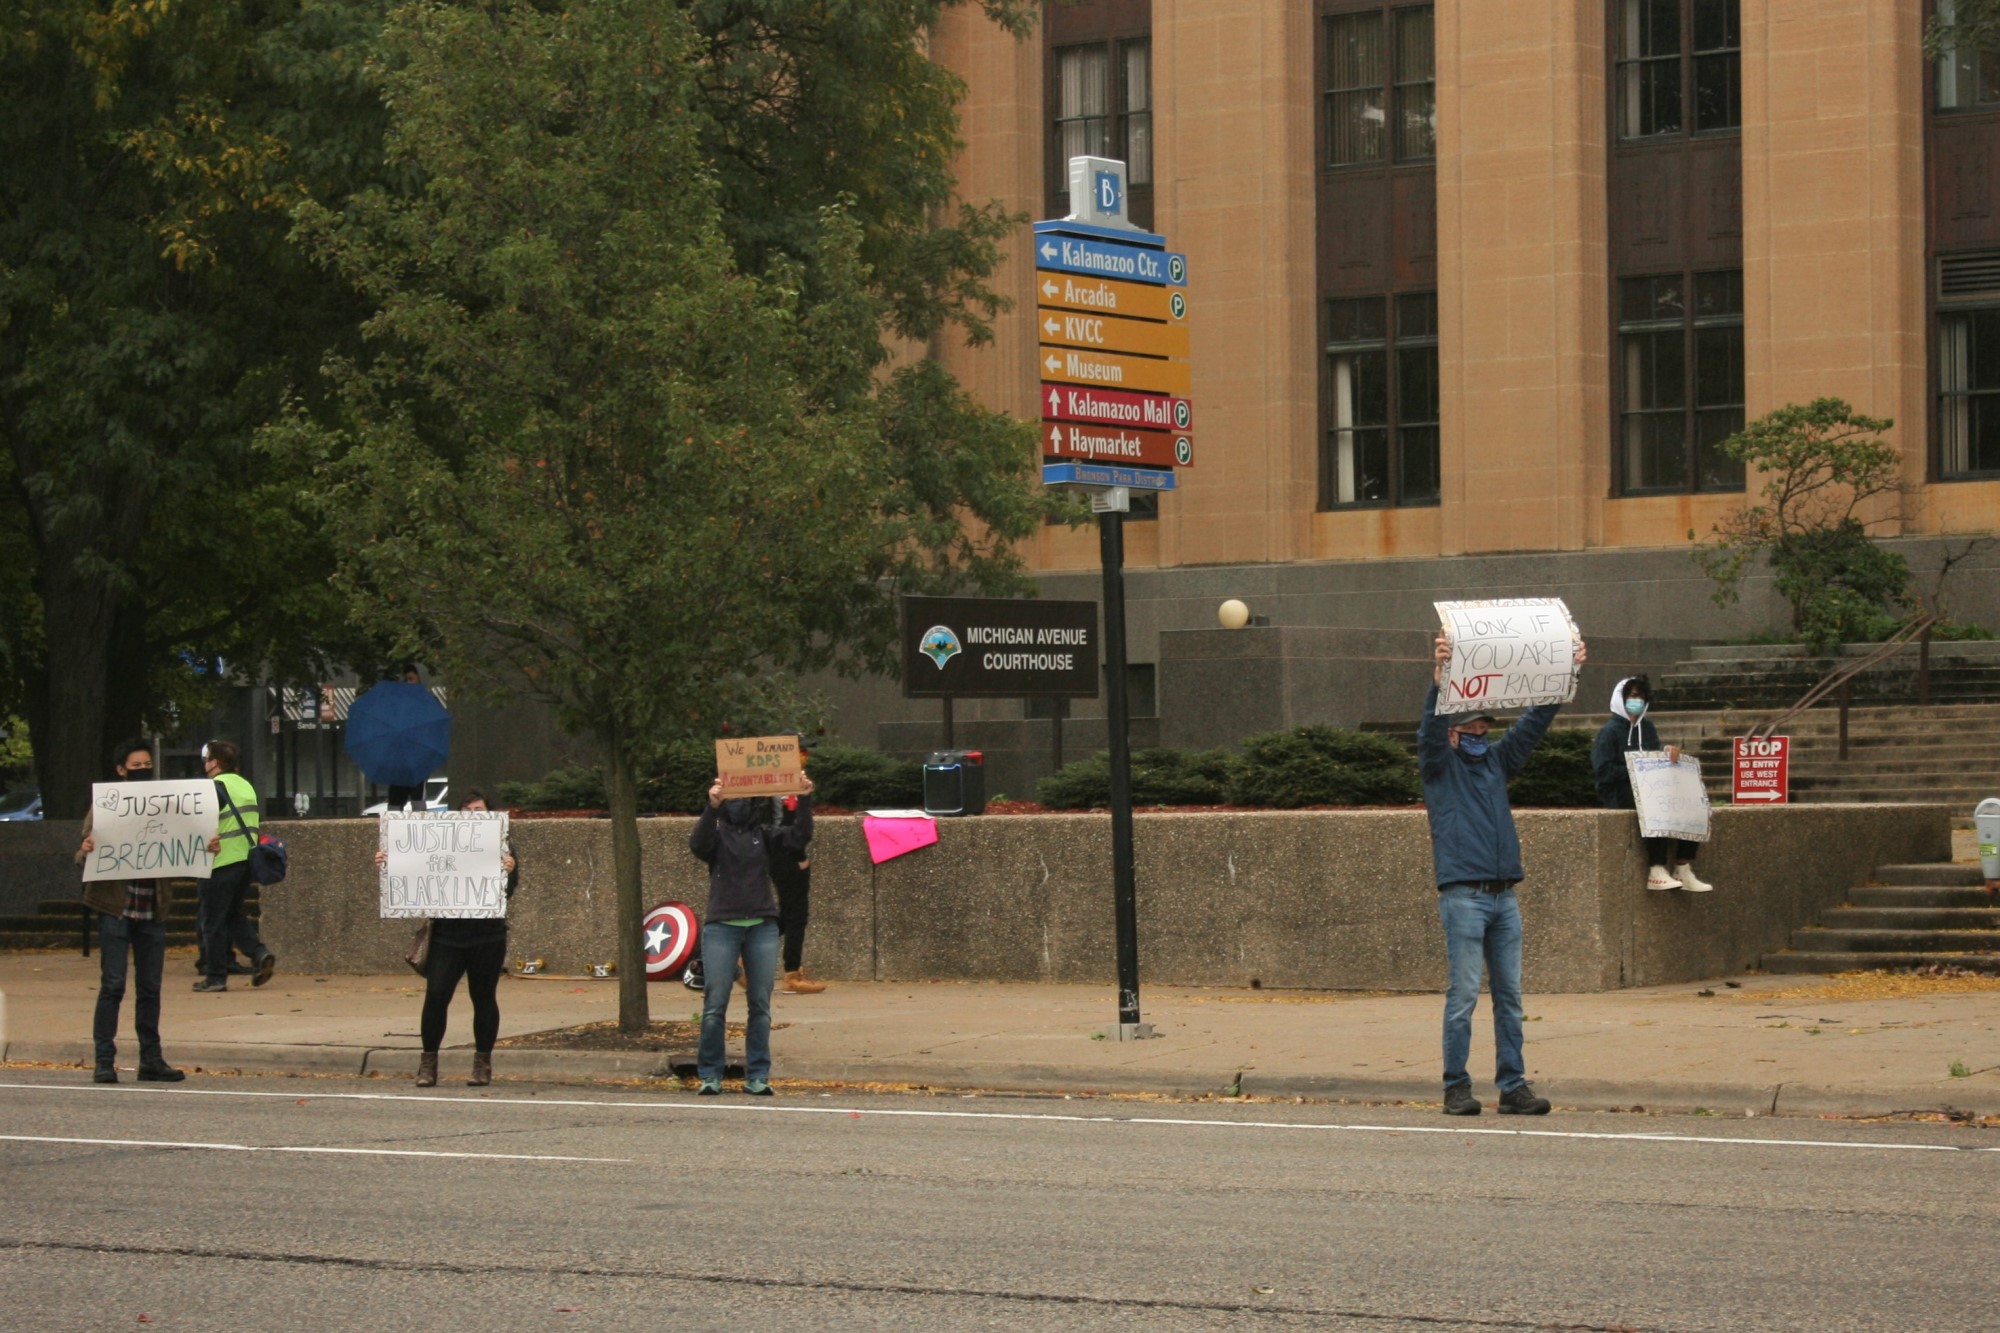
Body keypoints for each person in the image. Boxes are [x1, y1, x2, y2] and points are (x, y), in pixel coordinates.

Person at [1419, 628, 1587, 1117]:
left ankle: (1513, 1086)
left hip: (1503, 897)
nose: (1478, 734)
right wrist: (1439, 678)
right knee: (1465, 994)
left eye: (1483, 728)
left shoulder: (1496, 763)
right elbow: (1428, 731)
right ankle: (1456, 1086)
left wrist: (1566, 671)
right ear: (1452, 732)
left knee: (1510, 997)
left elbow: (1533, 724)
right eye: (1469, 727)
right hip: (1463, 896)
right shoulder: (1438, 768)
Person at [375, 790, 517, 1087]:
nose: (473, 815)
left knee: (484, 998)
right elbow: (414, 864)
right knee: (436, 997)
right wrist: (389, 861)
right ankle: (428, 1064)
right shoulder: (443, 839)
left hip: (487, 935)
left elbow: (507, 890)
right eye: (467, 810)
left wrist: (510, 869)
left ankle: (482, 1064)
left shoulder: (500, 845)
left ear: (490, 814)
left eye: (479, 809)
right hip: (447, 936)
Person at [689, 771, 814, 1096]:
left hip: (761, 926)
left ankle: (757, 1075)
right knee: (715, 1004)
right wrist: (712, 806)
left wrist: (803, 797)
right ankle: (710, 1075)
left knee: (759, 1005)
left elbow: (799, 836)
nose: (739, 805)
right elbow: (698, 845)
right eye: (734, 800)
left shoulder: (765, 835)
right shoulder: (716, 837)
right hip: (722, 927)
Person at [74, 738, 185, 1083]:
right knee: (113, 985)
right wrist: (86, 848)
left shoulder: (165, 806)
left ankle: (151, 1059)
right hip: (115, 908)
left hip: (152, 908)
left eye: (146, 765)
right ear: (121, 770)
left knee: (150, 988)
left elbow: (184, 843)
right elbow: (83, 852)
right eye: (135, 766)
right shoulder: (107, 805)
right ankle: (104, 1060)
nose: (142, 770)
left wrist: (206, 846)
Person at [1591, 676, 1712, 893]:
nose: (1638, 701)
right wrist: (1637, 767)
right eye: (1633, 696)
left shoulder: (1647, 728)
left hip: (1647, 787)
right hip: (1620, 791)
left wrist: (1666, 757)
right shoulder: (1609, 732)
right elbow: (1603, 772)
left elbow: (1654, 759)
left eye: (1642, 696)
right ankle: (1656, 868)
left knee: (1692, 803)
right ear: (1621, 698)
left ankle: (1682, 866)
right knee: (1657, 803)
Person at [193, 740, 275, 993]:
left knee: (213, 921)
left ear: (215, 763)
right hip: (245, 861)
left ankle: (216, 976)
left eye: (207, 761)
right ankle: (259, 954)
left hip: (220, 862)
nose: (205, 765)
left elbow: (202, 825)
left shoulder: (215, 788)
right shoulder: (245, 785)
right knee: (232, 915)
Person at [767, 734, 824, 995]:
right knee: (796, 913)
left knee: (788, 913)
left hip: (781, 852)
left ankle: (745, 957)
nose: (805, 758)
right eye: (801, 753)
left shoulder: (779, 781)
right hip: (783, 853)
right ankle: (792, 973)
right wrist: (799, 854)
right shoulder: (781, 785)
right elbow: (797, 829)